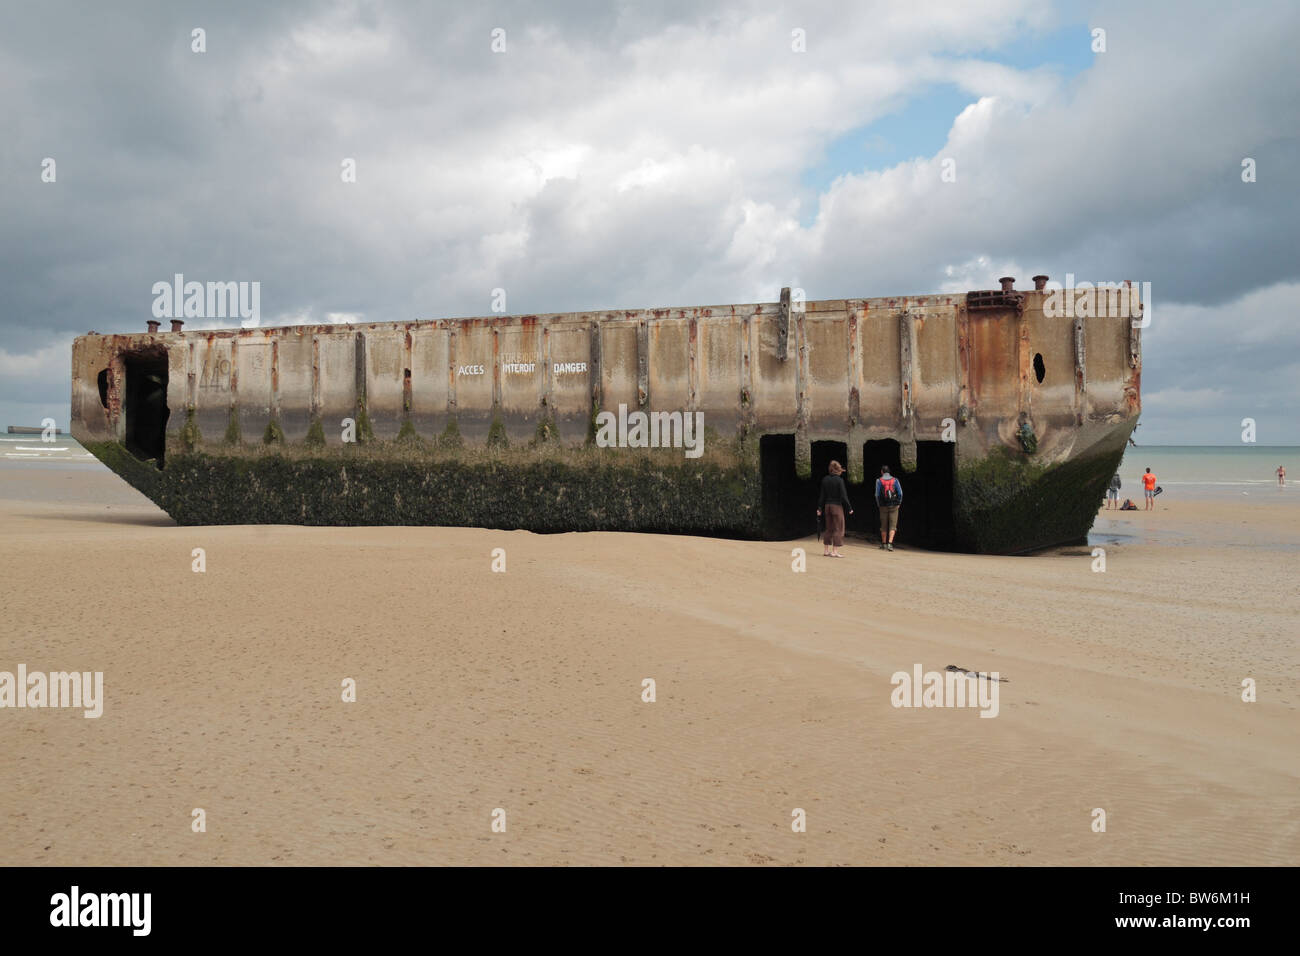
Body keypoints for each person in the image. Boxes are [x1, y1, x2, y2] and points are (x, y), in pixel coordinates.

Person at [816, 461, 853, 558]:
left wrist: (819, 508)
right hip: (837, 506)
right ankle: (834, 551)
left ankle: (826, 550)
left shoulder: (825, 479)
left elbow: (822, 496)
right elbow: (844, 496)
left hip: (827, 506)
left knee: (829, 528)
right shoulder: (839, 480)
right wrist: (849, 507)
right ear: (838, 470)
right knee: (838, 528)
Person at [875, 465, 903, 551]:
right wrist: (899, 503)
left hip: (883, 506)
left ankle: (883, 544)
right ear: (889, 472)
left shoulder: (879, 481)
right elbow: (900, 493)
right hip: (894, 506)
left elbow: (877, 495)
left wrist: (879, 504)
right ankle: (890, 544)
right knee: (893, 525)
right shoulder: (895, 480)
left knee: (883, 525)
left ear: (881, 472)